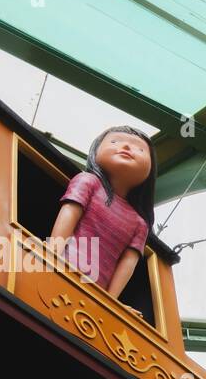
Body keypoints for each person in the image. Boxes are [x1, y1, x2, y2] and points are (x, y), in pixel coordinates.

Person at [48, 125, 157, 315]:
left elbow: (128, 263)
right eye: (115, 142)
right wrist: (51, 254)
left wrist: (110, 301)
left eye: (139, 149)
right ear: (95, 151)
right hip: (64, 266)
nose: (126, 148)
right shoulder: (88, 181)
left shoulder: (140, 223)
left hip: (95, 294)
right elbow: (69, 214)